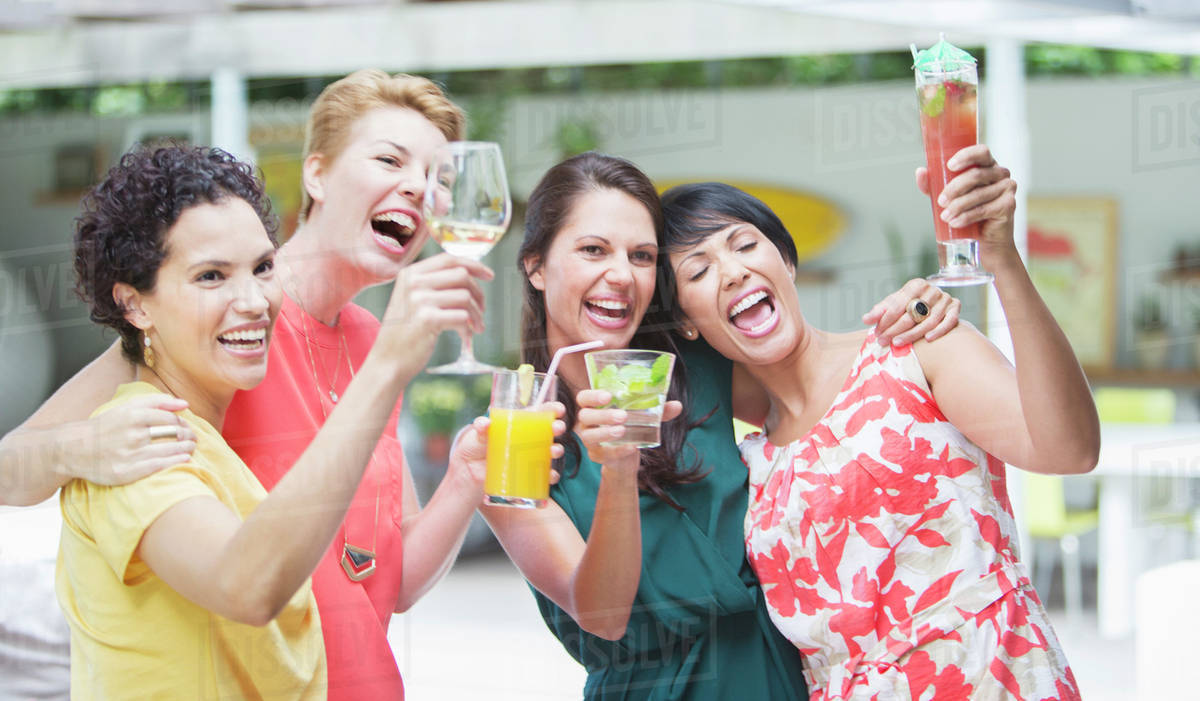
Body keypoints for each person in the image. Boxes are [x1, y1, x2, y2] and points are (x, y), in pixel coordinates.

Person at [0, 70, 490, 699]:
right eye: (390, 159)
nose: (419, 187)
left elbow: (384, 581)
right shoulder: (216, 333)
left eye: (439, 177)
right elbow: (14, 466)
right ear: (316, 174)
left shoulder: (372, 338)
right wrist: (79, 448)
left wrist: (467, 479)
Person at [470, 151, 959, 700]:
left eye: (641, 256)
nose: (621, 275)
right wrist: (618, 471)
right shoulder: (512, 438)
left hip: (776, 676)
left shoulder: (695, 369)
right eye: (592, 250)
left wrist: (908, 316)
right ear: (535, 265)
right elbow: (602, 615)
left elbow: (830, 392)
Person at [659, 145, 1099, 700]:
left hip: (998, 677)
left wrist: (1001, 259)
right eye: (698, 271)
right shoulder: (751, 466)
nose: (732, 271)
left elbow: (1070, 450)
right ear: (686, 322)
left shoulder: (914, 348)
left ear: (787, 262)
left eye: (745, 244)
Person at [60, 143, 329, 697]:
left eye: (263, 267)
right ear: (135, 306)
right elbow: (247, 587)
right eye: (211, 276)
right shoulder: (139, 441)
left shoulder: (203, 434)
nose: (254, 300)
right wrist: (388, 371)